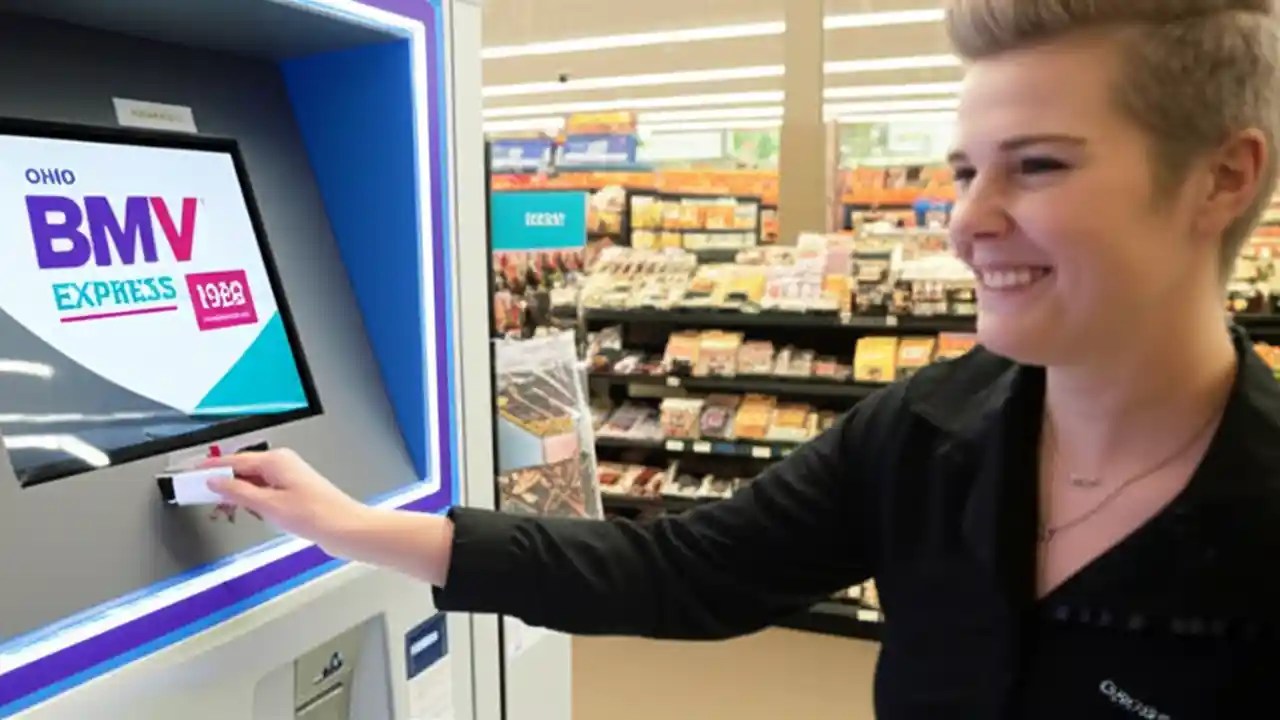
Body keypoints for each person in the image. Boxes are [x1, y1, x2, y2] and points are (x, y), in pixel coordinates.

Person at [207, 1, 1280, 716]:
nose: (964, 225)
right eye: (963, 171)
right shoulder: (923, 433)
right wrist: (349, 526)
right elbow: (681, 572)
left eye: (1036, 166)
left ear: (1221, 180)